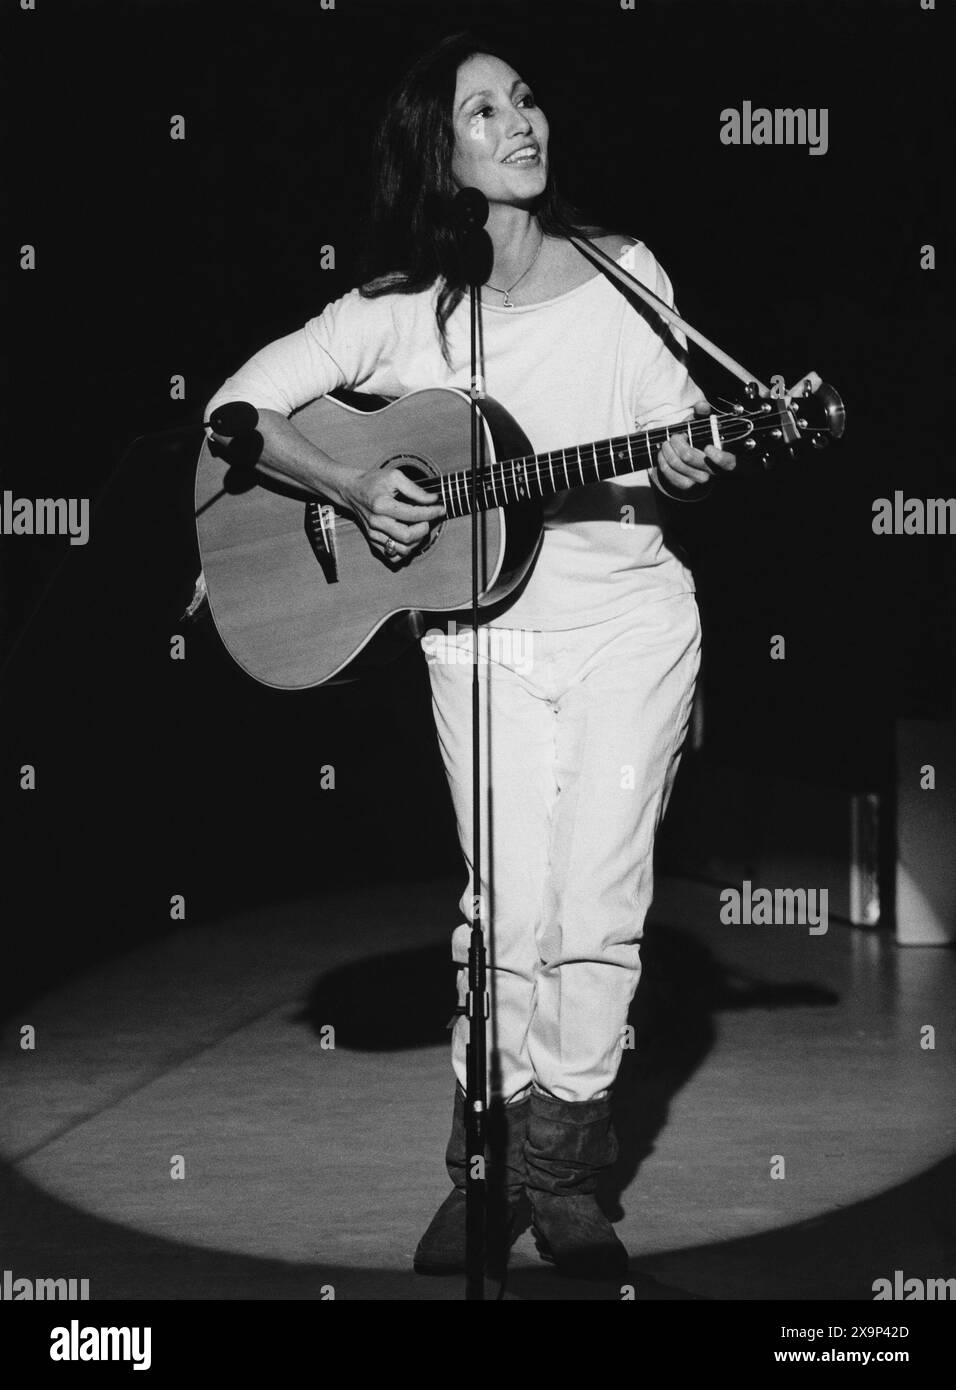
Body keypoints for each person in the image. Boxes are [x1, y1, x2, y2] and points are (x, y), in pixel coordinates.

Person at [205, 30, 736, 1281]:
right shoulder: (396, 313)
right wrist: (349, 481)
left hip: (626, 622)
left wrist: (687, 460)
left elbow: (672, 448)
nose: (520, 123)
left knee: (597, 907)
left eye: (528, 100)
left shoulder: (625, 277)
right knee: (502, 913)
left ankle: (563, 1179)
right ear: (435, 151)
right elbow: (235, 412)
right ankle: (481, 1170)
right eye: (483, 110)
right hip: (479, 641)